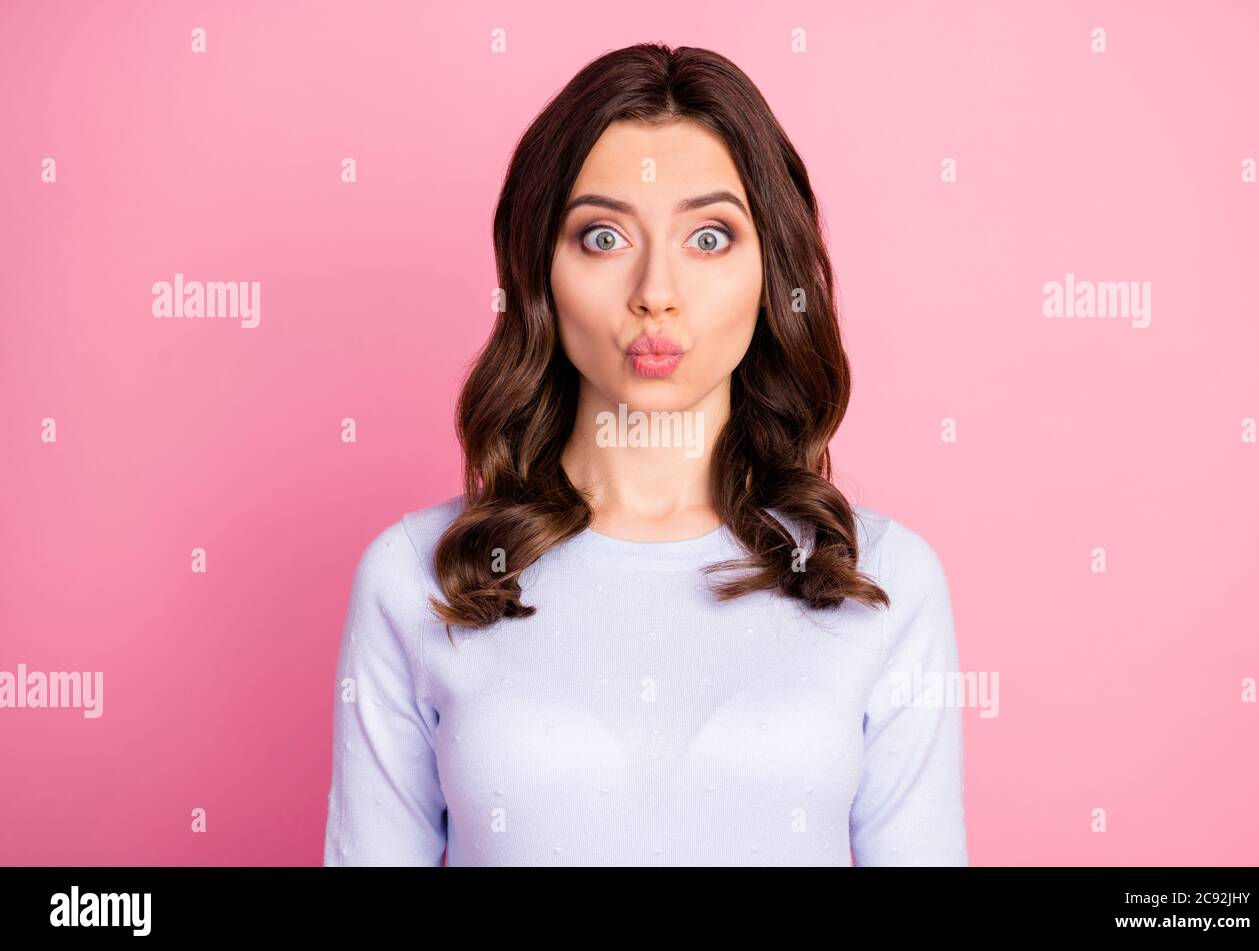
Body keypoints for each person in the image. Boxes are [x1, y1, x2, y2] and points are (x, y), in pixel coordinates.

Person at [324, 42, 968, 866]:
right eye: (603, 237)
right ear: (538, 270)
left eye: (709, 237)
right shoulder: (417, 574)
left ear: (770, 270)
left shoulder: (884, 579)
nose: (655, 292)